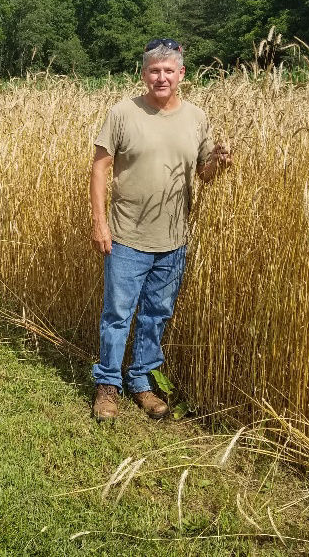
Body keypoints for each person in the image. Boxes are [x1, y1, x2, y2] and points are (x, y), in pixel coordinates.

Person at [89, 38, 231, 421]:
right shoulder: (122, 113)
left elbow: (204, 174)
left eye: (169, 70)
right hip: (126, 237)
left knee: (156, 315)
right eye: (154, 70)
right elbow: (100, 168)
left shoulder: (196, 118)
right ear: (143, 74)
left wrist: (219, 163)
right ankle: (107, 386)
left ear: (181, 74)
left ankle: (141, 382)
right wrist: (100, 223)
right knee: (117, 315)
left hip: (173, 241)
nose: (162, 77)